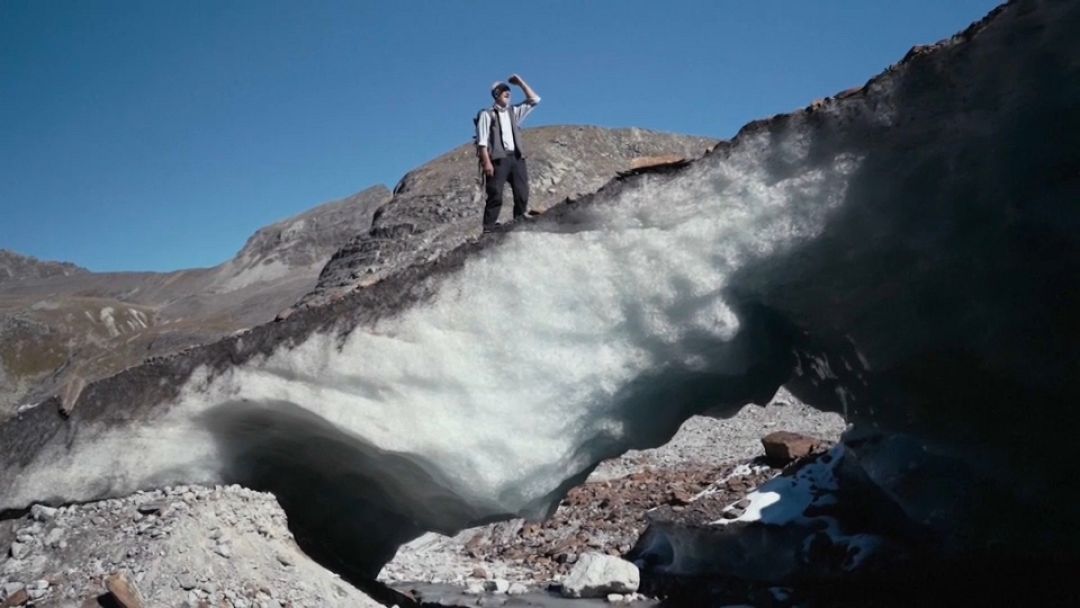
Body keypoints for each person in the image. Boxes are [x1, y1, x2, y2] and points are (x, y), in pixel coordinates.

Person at [476, 74, 541, 230]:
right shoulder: (487, 114)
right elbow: (482, 142)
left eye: (509, 92)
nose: (508, 94)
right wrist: (486, 162)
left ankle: (519, 224)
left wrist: (520, 83)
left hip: (517, 158)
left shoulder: (514, 112)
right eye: (504, 91)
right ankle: (489, 228)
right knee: (495, 194)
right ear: (497, 94)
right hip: (498, 159)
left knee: (522, 193)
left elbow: (535, 100)